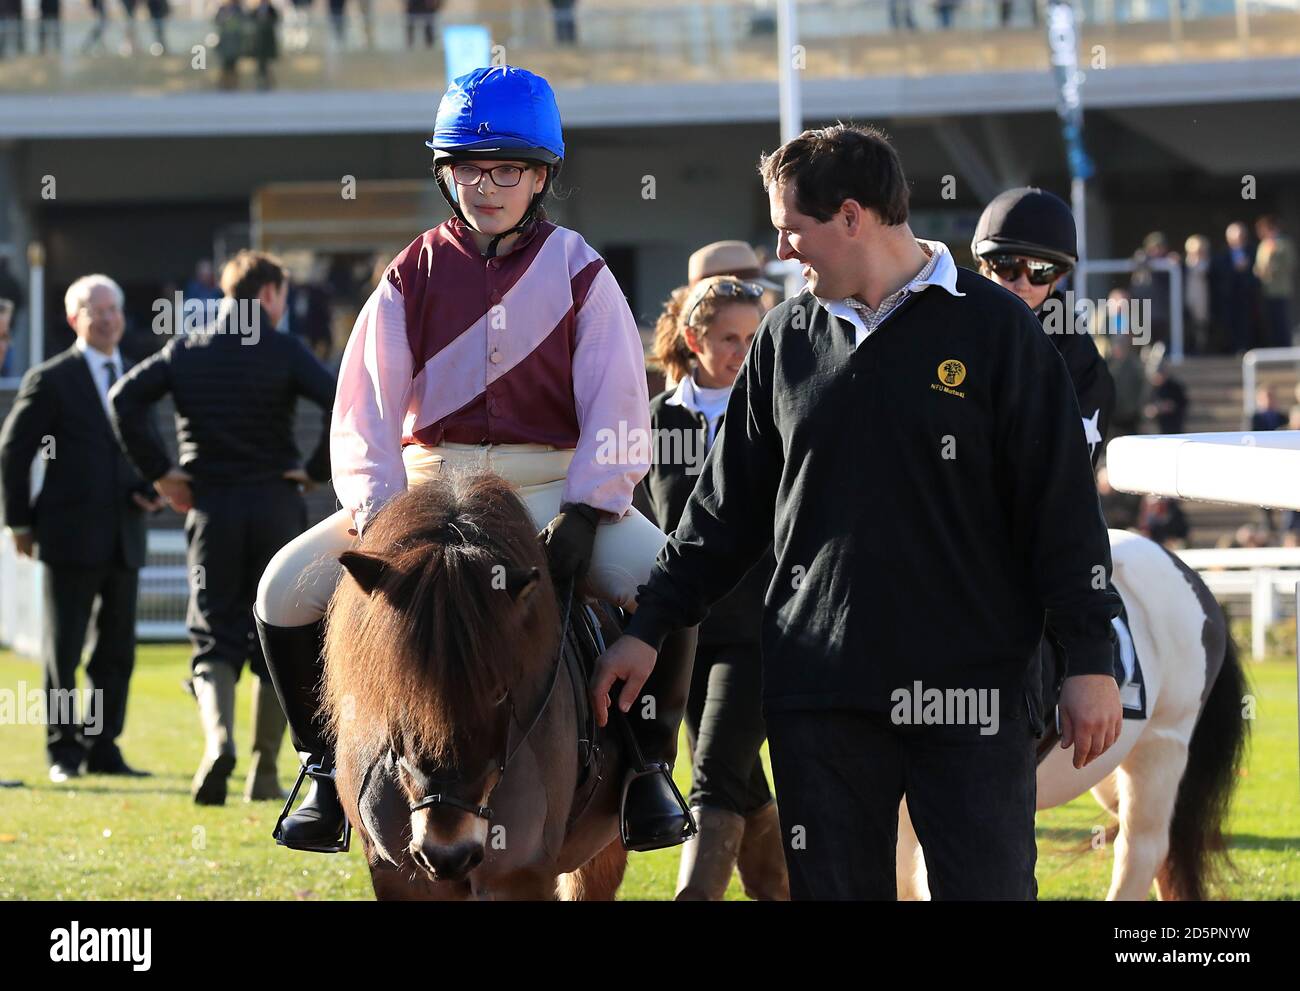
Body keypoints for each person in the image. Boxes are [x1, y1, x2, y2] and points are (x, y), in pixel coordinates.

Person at [593, 124, 1122, 900]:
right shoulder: (784, 340)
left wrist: (1090, 659)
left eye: (790, 229)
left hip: (972, 691)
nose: (782, 251)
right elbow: (719, 515)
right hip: (820, 695)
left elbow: (1062, 511)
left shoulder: (997, 329)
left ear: (850, 217)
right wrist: (648, 626)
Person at [253, 66, 697, 855]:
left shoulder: (582, 271)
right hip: (425, 493)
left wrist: (592, 511)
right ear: (444, 171)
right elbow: (365, 414)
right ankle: (322, 767)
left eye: (507, 169)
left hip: (553, 486)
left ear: (540, 176)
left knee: (667, 584)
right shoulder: (407, 274)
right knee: (281, 591)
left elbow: (619, 405)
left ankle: (647, 771)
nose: (484, 185)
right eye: (466, 166)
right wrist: (380, 516)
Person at [108, 251, 336, 806]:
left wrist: (162, 472)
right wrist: (312, 471)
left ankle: (217, 743)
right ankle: (263, 770)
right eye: (282, 298)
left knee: (212, 632)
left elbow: (124, 399)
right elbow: (340, 399)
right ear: (267, 296)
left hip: (211, 508)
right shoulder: (285, 349)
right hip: (277, 509)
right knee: (276, 630)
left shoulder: (187, 349)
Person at [645, 275, 788, 900]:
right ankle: (783, 889)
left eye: (752, 338)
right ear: (693, 340)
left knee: (713, 775)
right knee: (735, 774)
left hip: (758, 627)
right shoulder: (655, 420)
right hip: (683, 632)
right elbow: (650, 522)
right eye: (728, 338)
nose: (741, 351)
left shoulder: (777, 409)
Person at [0, 275, 163, 783]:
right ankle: (63, 752)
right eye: (96, 311)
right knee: (64, 654)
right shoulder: (51, 378)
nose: (109, 318)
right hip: (69, 537)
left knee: (117, 653)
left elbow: (147, 447)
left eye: (114, 309)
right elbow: (13, 450)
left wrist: (153, 488)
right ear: (75, 319)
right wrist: (20, 522)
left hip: (125, 535)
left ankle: (104, 748)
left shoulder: (134, 375)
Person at [971, 186, 1115, 468]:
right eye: (1007, 265)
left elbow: (1067, 473)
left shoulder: (1080, 360)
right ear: (985, 266)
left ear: (1058, 277)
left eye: (1040, 270)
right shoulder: (946, 332)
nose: (1023, 283)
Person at [1255, 215, 1296, 349]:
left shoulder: (1284, 244)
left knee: (1281, 320)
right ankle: (1273, 346)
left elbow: (1290, 264)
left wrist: (1272, 268)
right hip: (1266, 290)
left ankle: (1284, 347)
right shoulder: (1263, 245)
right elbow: (1258, 266)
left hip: (1281, 290)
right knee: (1270, 321)